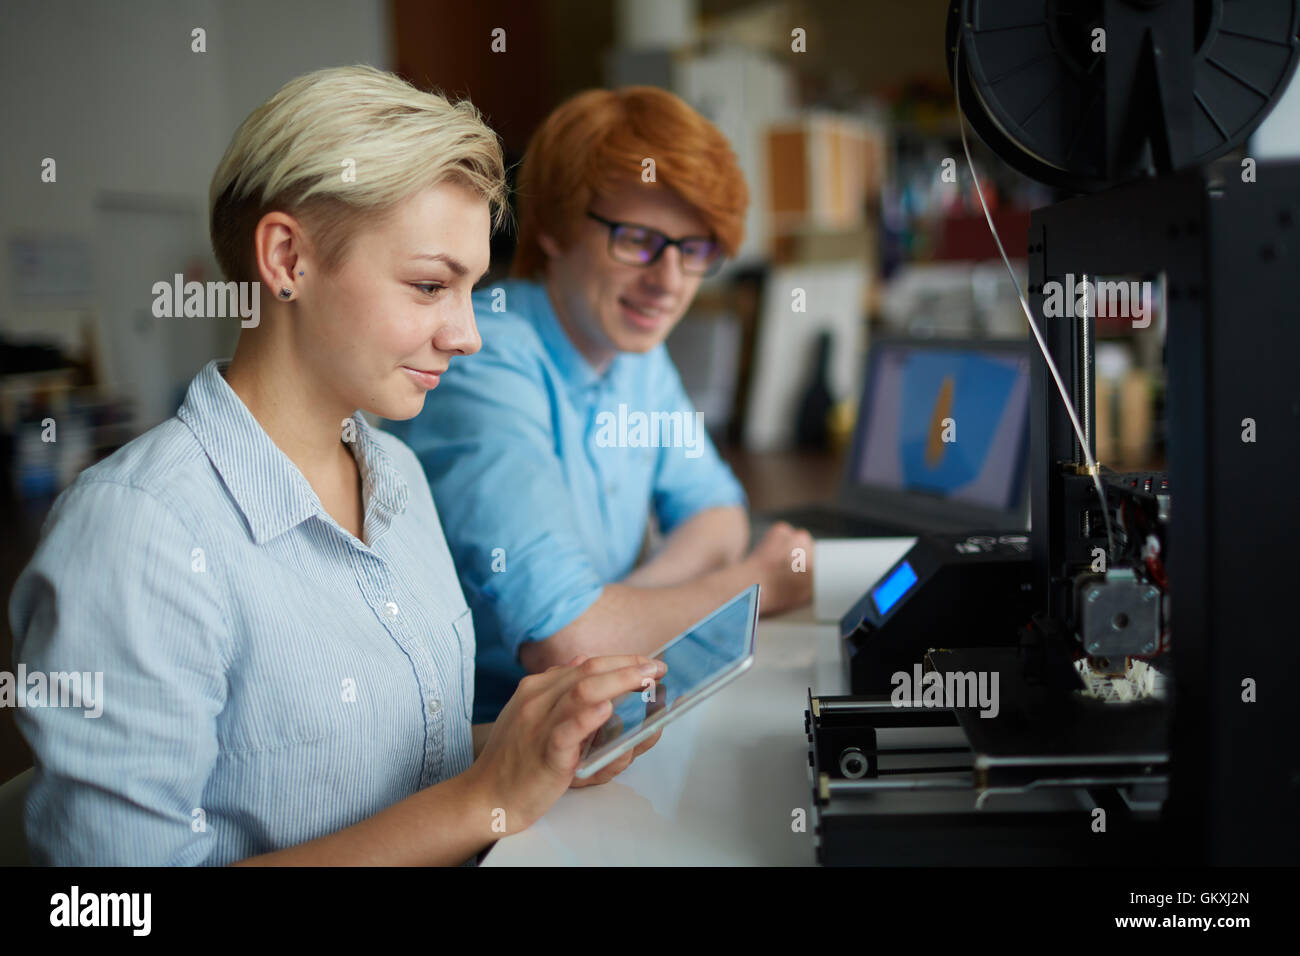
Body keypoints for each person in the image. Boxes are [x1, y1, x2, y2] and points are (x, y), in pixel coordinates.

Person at [7, 65, 664, 867]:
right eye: (430, 285)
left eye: (470, 290)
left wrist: (530, 748)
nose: (467, 335)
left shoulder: (398, 475)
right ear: (287, 258)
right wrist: (481, 800)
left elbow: (382, 765)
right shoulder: (138, 535)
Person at [384, 87, 813, 723]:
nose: (669, 283)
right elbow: (571, 647)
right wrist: (760, 585)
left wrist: (617, 609)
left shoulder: (634, 351)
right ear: (554, 230)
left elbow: (719, 517)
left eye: (695, 249)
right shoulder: (484, 362)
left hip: (606, 722)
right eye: (638, 240)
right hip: (491, 746)